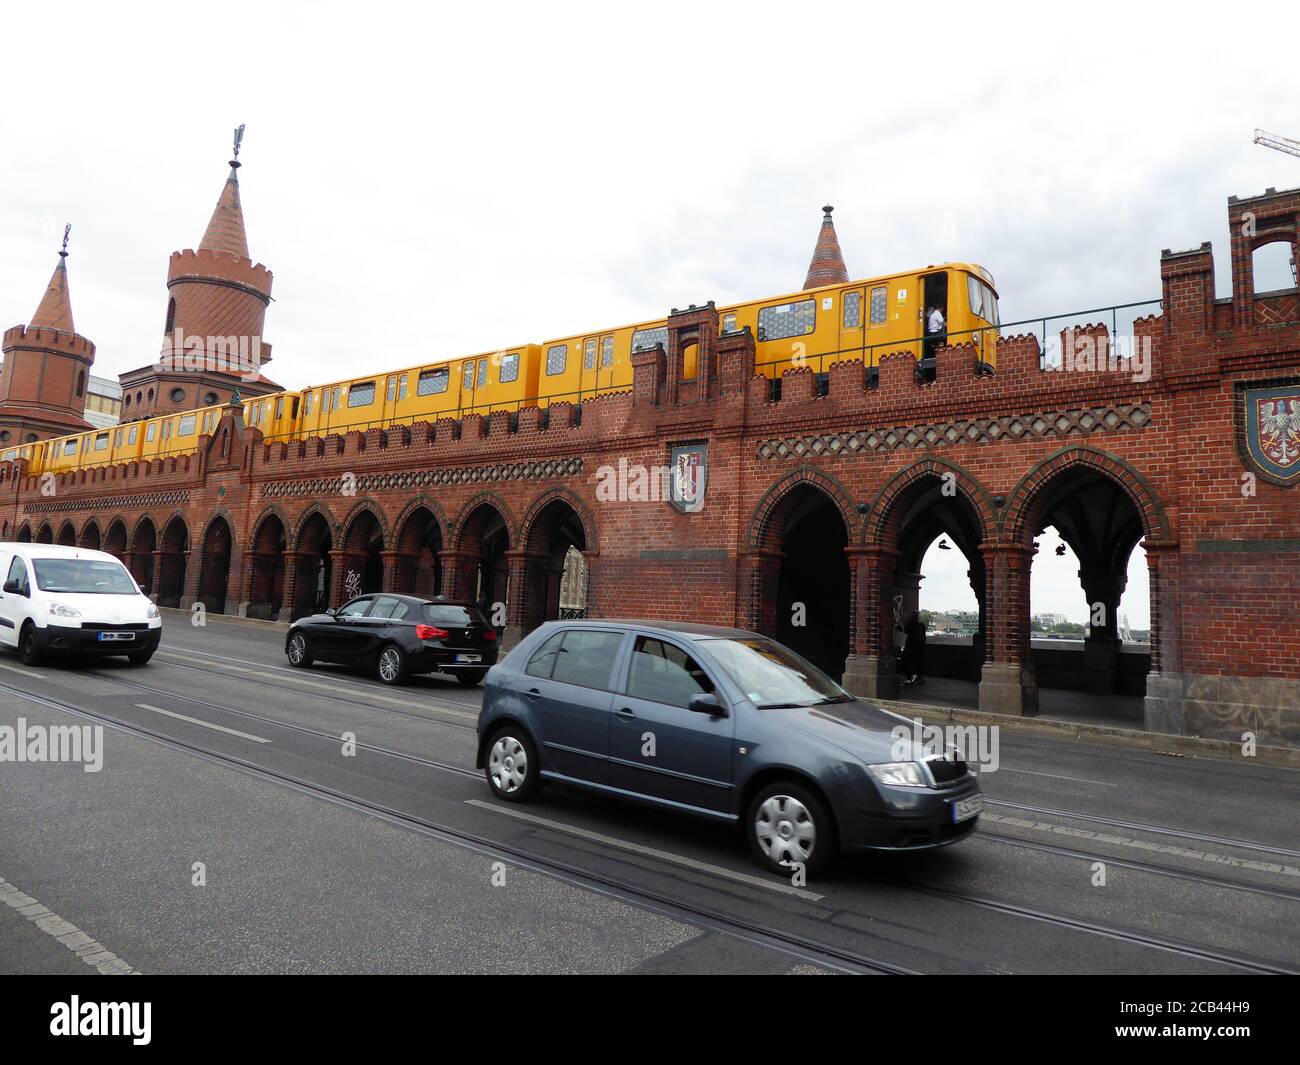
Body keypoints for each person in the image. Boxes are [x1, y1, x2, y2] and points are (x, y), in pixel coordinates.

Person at [899, 610, 927, 687]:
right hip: (921, 647)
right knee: (918, 662)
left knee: (907, 661)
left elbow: (905, 631)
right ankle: (918, 677)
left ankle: (911, 677)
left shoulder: (910, 624)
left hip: (911, 647)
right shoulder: (921, 625)